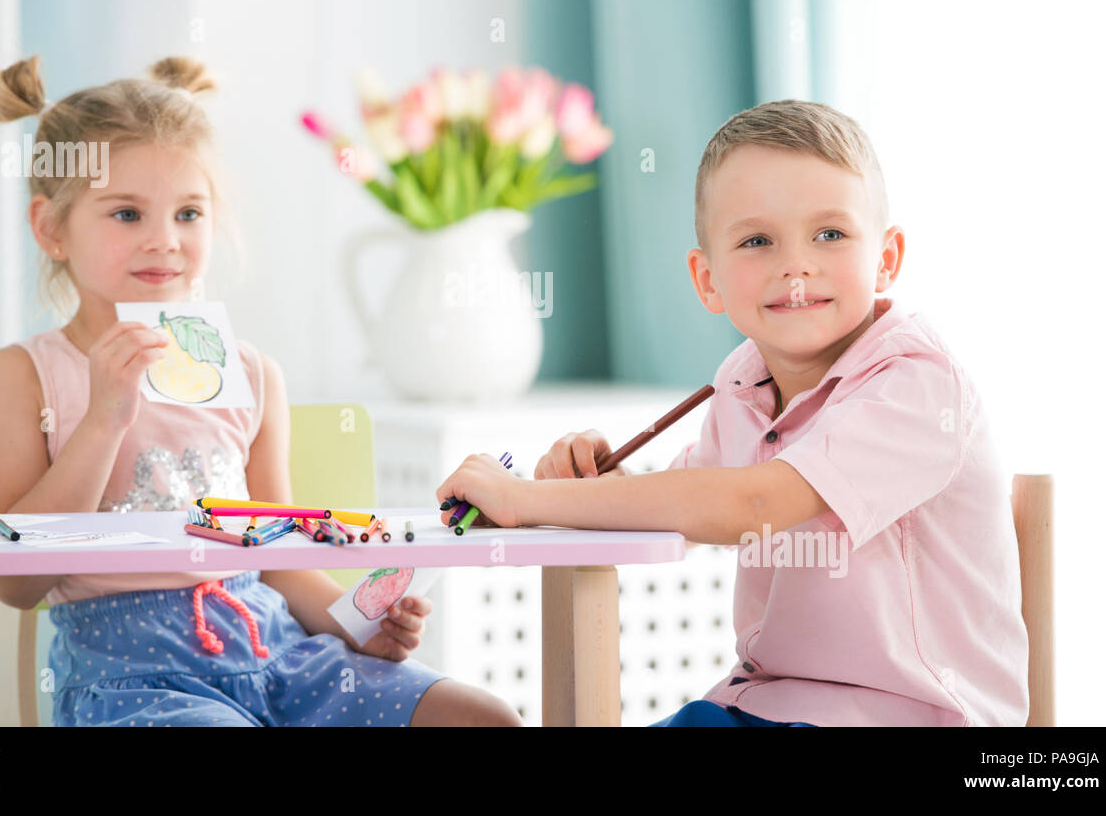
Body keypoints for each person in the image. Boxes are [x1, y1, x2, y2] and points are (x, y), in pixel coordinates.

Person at [436, 99, 1029, 727]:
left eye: (830, 233)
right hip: (763, 706)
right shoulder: (743, 379)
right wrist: (608, 489)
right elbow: (692, 508)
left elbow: (751, 505)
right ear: (708, 279)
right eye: (756, 240)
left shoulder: (916, 383)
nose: (796, 265)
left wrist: (524, 500)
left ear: (886, 258)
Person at [0, 54, 520, 727]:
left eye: (188, 213)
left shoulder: (253, 373)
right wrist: (103, 420)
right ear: (51, 227)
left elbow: (280, 556)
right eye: (126, 214)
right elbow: (11, 581)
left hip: (281, 655)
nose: (164, 241)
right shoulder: (20, 374)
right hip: (134, 683)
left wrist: (359, 626)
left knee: (483, 717)